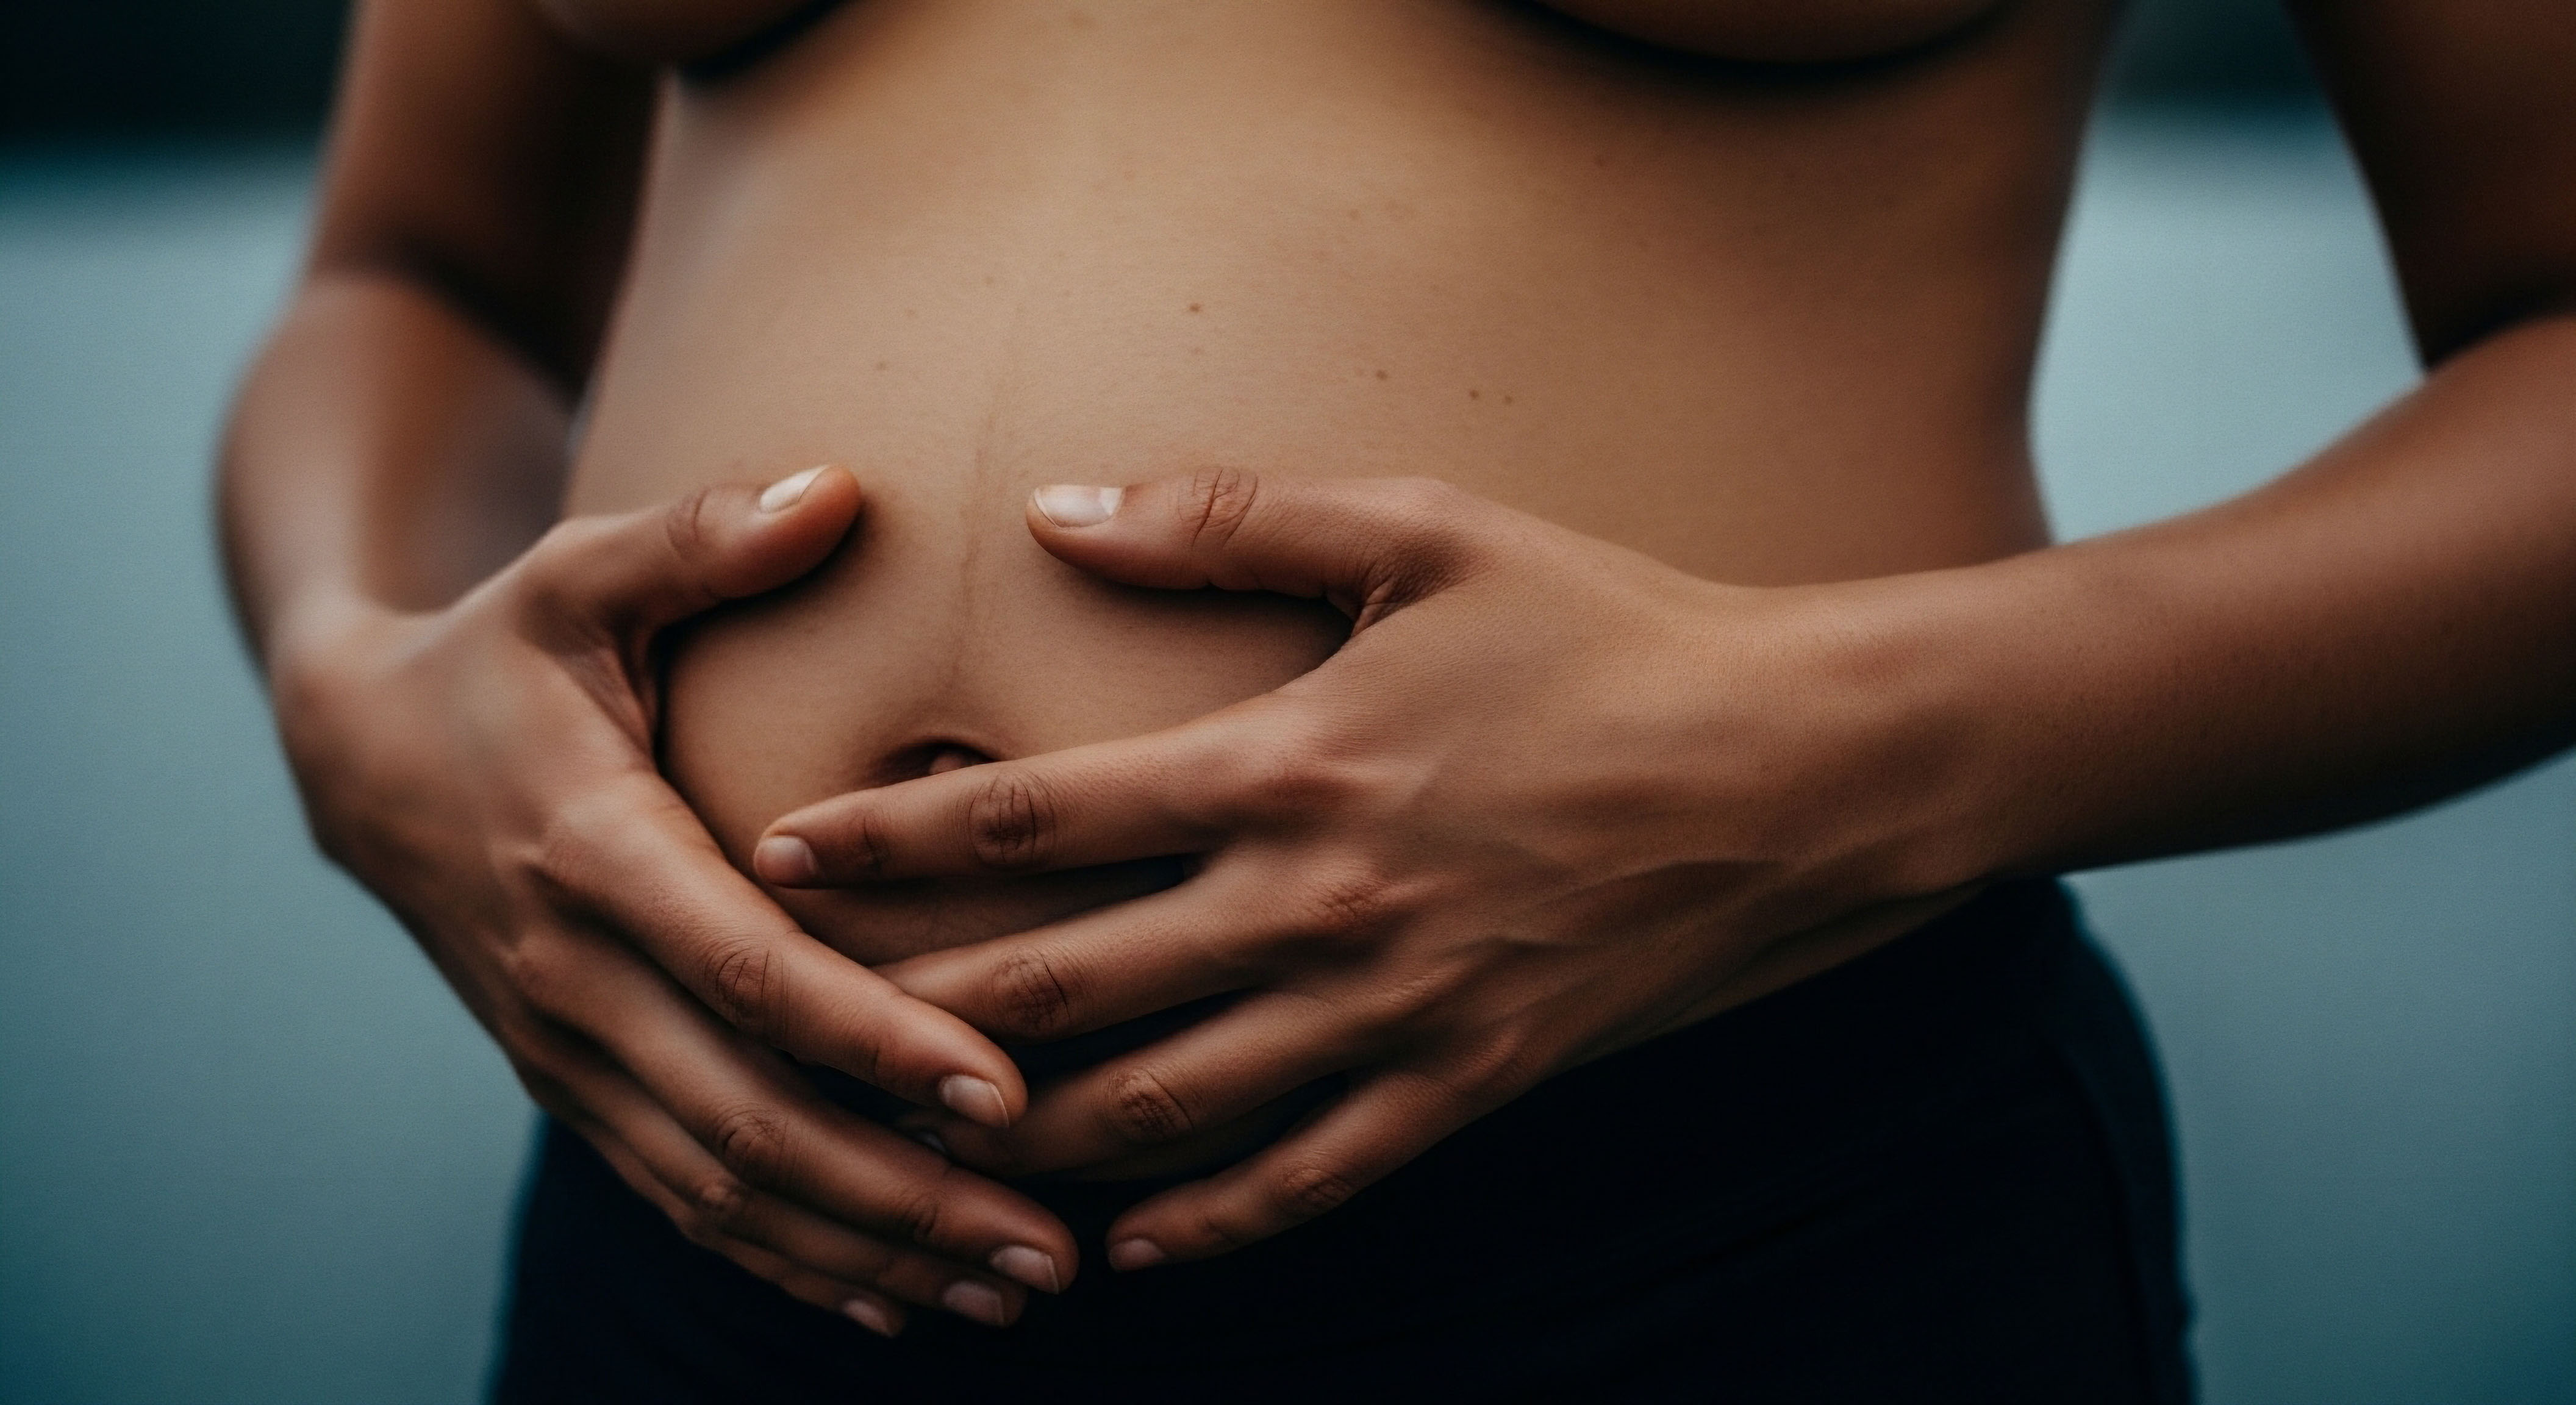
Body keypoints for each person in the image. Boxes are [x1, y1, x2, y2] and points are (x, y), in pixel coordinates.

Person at [218, 0, 2576, 1400]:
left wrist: (1821, 750)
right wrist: (358, 699)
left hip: (1719, 1222)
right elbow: (417, 277)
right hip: (724, 1218)